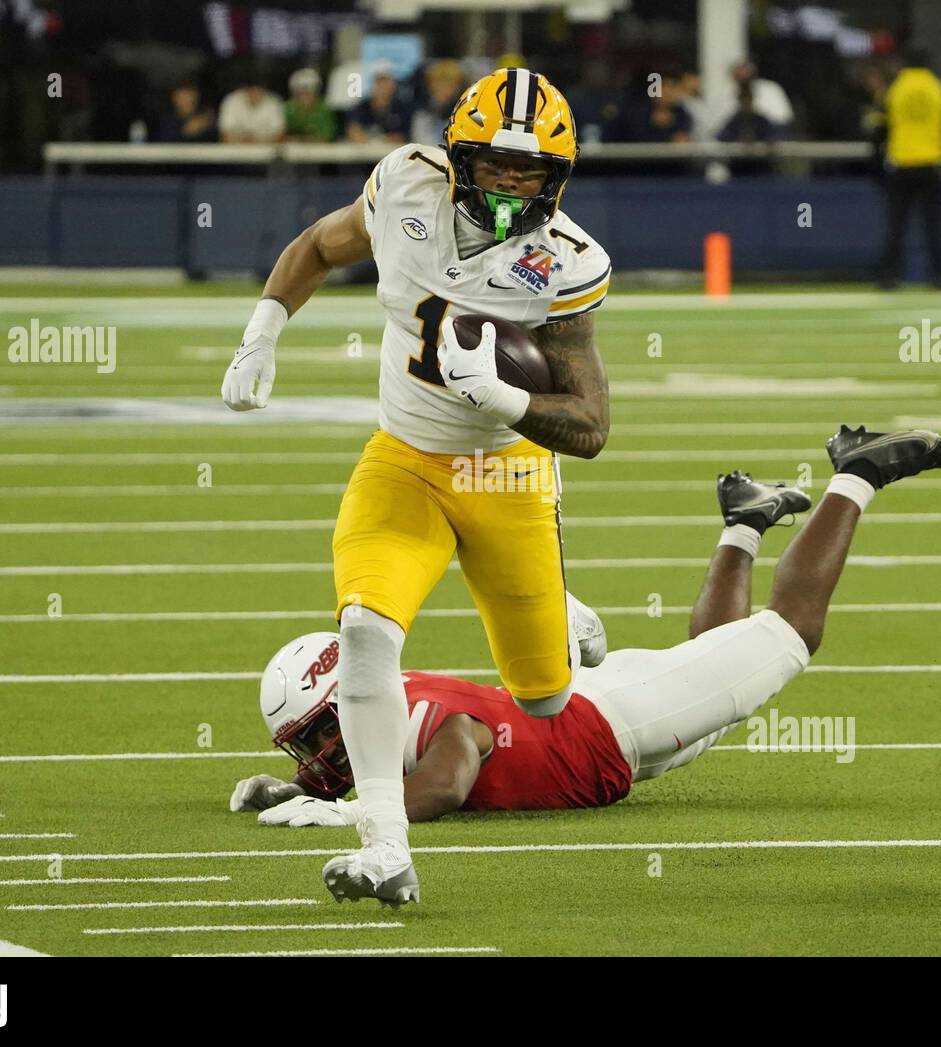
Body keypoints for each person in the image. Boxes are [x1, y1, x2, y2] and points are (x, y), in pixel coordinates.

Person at [230, 427, 941, 898]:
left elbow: (454, 771)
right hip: (596, 721)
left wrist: (355, 809)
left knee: (793, 632)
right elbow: (362, 755)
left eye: (317, 733)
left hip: (616, 722)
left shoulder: (417, 716)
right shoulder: (375, 702)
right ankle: (745, 521)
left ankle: (858, 473)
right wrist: (290, 789)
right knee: (711, 661)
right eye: (304, 741)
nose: (317, 754)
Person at [219, 68, 613, 907]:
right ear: (457, 157)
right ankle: (385, 848)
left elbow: (590, 426)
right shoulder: (405, 183)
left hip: (505, 472)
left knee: (544, 698)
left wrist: (503, 397)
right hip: (402, 457)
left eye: (530, 171)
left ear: (558, 178)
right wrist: (262, 335)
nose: (510, 184)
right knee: (364, 628)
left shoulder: (567, 262)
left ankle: (566, 608)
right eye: (496, 165)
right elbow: (318, 247)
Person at [877, 47, 941, 289]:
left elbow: (882, 127)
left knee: (896, 225)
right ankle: (938, 276)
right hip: (932, 163)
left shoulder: (896, 89)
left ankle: (890, 276)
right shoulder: (936, 88)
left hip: (901, 162)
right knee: (934, 225)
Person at [344, 64, 411, 144]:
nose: (383, 86)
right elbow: (353, 130)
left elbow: (403, 137)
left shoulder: (402, 108)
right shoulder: (361, 107)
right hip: (366, 152)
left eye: (387, 81)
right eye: (379, 81)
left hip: (393, 153)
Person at [409, 59, 465, 146]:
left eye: (451, 85)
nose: (446, 89)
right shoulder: (422, 109)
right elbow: (419, 138)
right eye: (441, 83)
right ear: (431, 84)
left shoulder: (462, 111)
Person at [217, 80, 284, 144]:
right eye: (250, 90)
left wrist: (256, 143)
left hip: (265, 151)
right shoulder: (231, 101)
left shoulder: (274, 102)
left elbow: (279, 136)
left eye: (257, 90)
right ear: (244, 89)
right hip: (236, 150)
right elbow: (224, 135)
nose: (253, 94)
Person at [283, 68, 336, 143]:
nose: (305, 97)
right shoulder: (287, 108)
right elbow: (279, 136)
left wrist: (299, 140)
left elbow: (325, 138)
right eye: (300, 93)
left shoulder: (325, 107)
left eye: (309, 92)